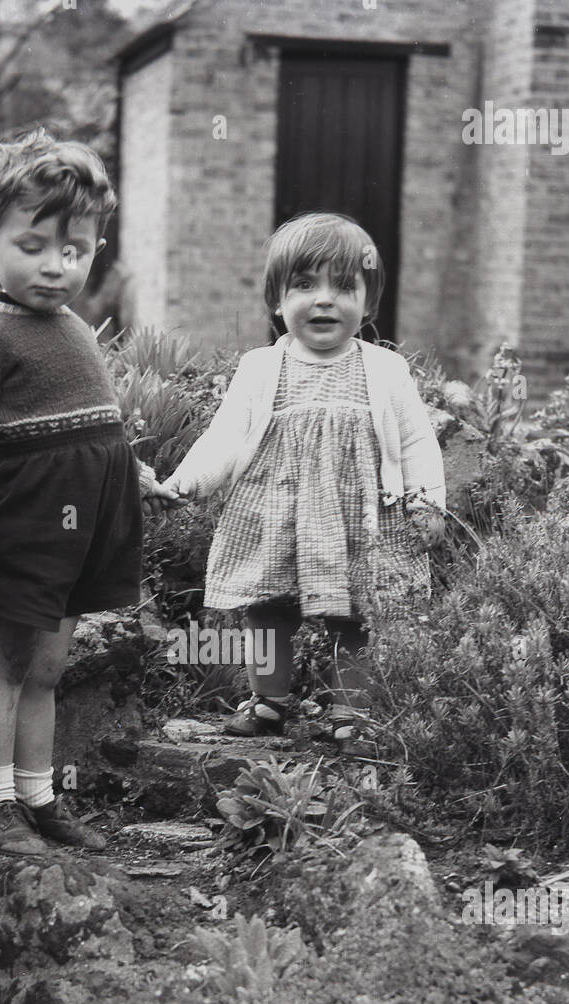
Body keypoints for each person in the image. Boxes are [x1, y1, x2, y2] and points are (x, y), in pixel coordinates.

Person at [0, 129, 177, 855]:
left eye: (73, 251)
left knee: (46, 670)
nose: (54, 266)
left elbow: (89, 424)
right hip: (25, 523)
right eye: (33, 246)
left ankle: (38, 797)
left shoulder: (73, 327)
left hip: (83, 524)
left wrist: (130, 474)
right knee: (5, 665)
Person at [162, 212, 446, 743]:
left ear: (369, 302)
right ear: (276, 299)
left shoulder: (385, 371)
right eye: (305, 285)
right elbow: (224, 437)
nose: (324, 299)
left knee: (356, 613)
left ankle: (350, 713)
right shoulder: (260, 368)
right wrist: (186, 482)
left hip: (359, 518)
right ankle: (268, 701)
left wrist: (427, 500)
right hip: (277, 511)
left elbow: (414, 441)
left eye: (344, 287)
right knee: (269, 609)